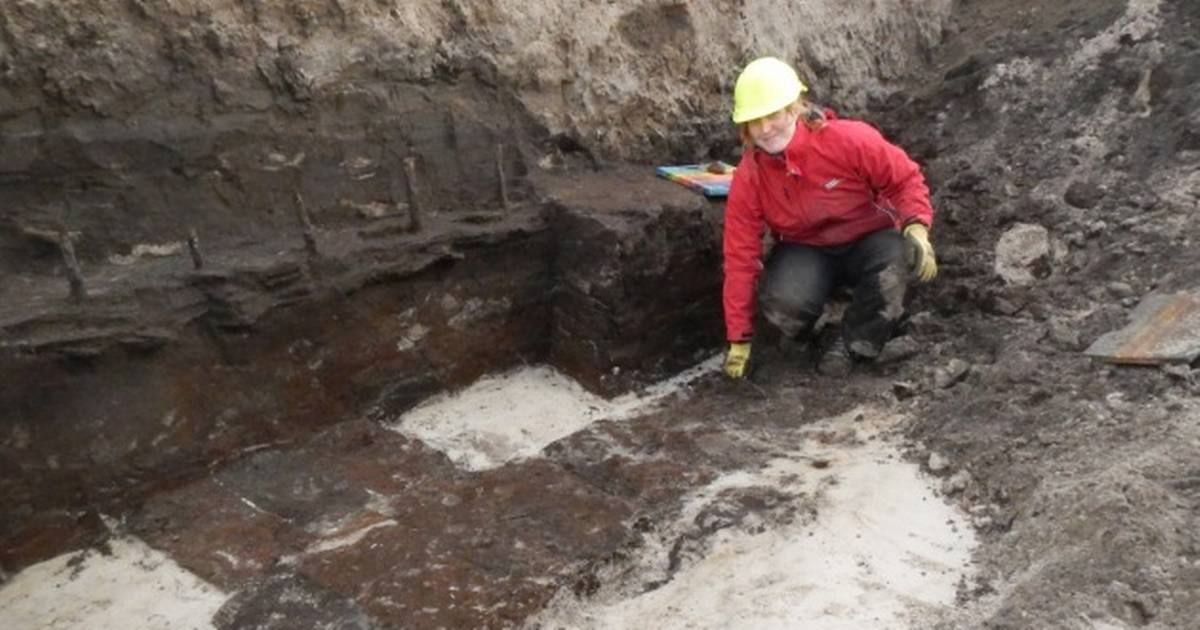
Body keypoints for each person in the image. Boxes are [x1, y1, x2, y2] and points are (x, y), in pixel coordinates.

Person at [721, 57, 938, 379]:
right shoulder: (750, 175)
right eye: (754, 121)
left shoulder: (849, 140)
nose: (765, 129)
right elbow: (740, 255)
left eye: (773, 115)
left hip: (869, 240)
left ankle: (854, 341)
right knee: (784, 303)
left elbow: (905, 180)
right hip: (806, 250)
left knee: (896, 263)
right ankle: (817, 327)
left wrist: (917, 226)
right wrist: (739, 338)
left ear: (795, 108)